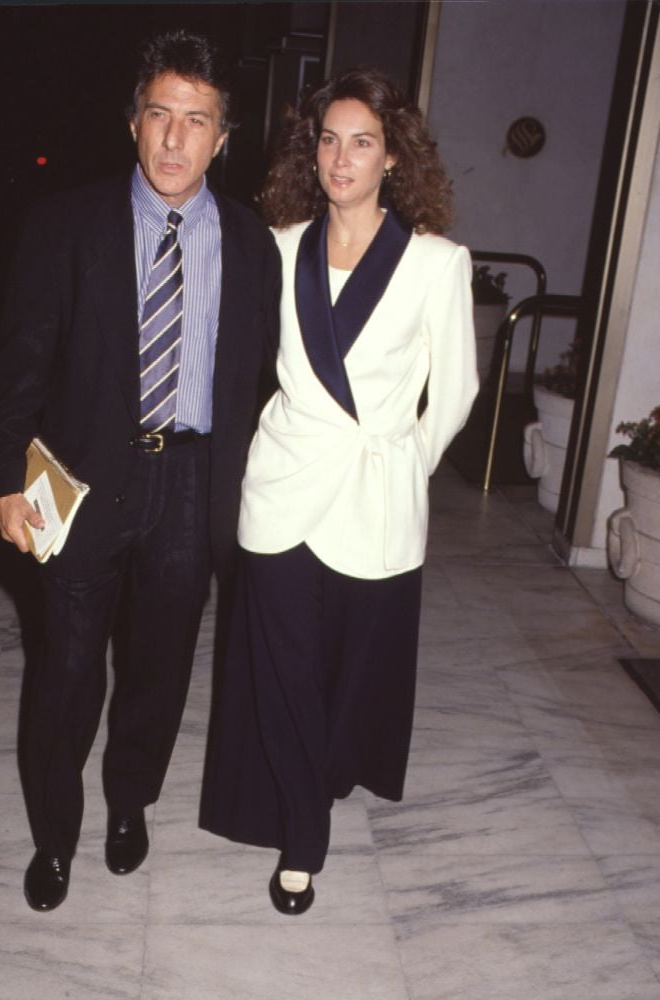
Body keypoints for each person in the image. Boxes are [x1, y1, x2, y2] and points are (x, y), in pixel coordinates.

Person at [0, 30, 280, 912]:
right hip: (80, 479)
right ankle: (55, 834)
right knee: (66, 671)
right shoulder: (64, 225)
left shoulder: (255, 245)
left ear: (224, 137)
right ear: (134, 122)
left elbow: (266, 381)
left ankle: (129, 803)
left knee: (159, 670)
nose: (176, 140)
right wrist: (4, 478)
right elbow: (16, 371)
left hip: (191, 486)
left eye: (199, 121)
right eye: (162, 115)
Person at [200, 67, 478, 915]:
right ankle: (302, 839)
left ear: (392, 156)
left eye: (362, 141)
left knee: (344, 675)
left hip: (375, 495)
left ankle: (320, 779)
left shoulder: (436, 262)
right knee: (283, 667)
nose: (341, 157)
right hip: (282, 488)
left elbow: (457, 390)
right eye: (328, 139)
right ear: (309, 150)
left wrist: (399, 458)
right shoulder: (278, 246)